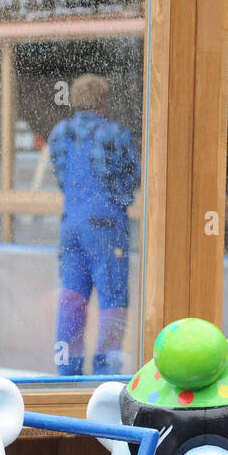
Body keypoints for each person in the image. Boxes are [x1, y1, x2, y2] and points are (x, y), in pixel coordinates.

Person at [48, 73, 140, 376]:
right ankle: (105, 372)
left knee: (72, 297)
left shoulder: (61, 132)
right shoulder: (115, 133)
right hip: (105, 225)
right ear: (104, 100)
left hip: (71, 224)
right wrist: (118, 199)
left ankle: (67, 370)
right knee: (113, 300)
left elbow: (61, 176)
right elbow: (132, 178)